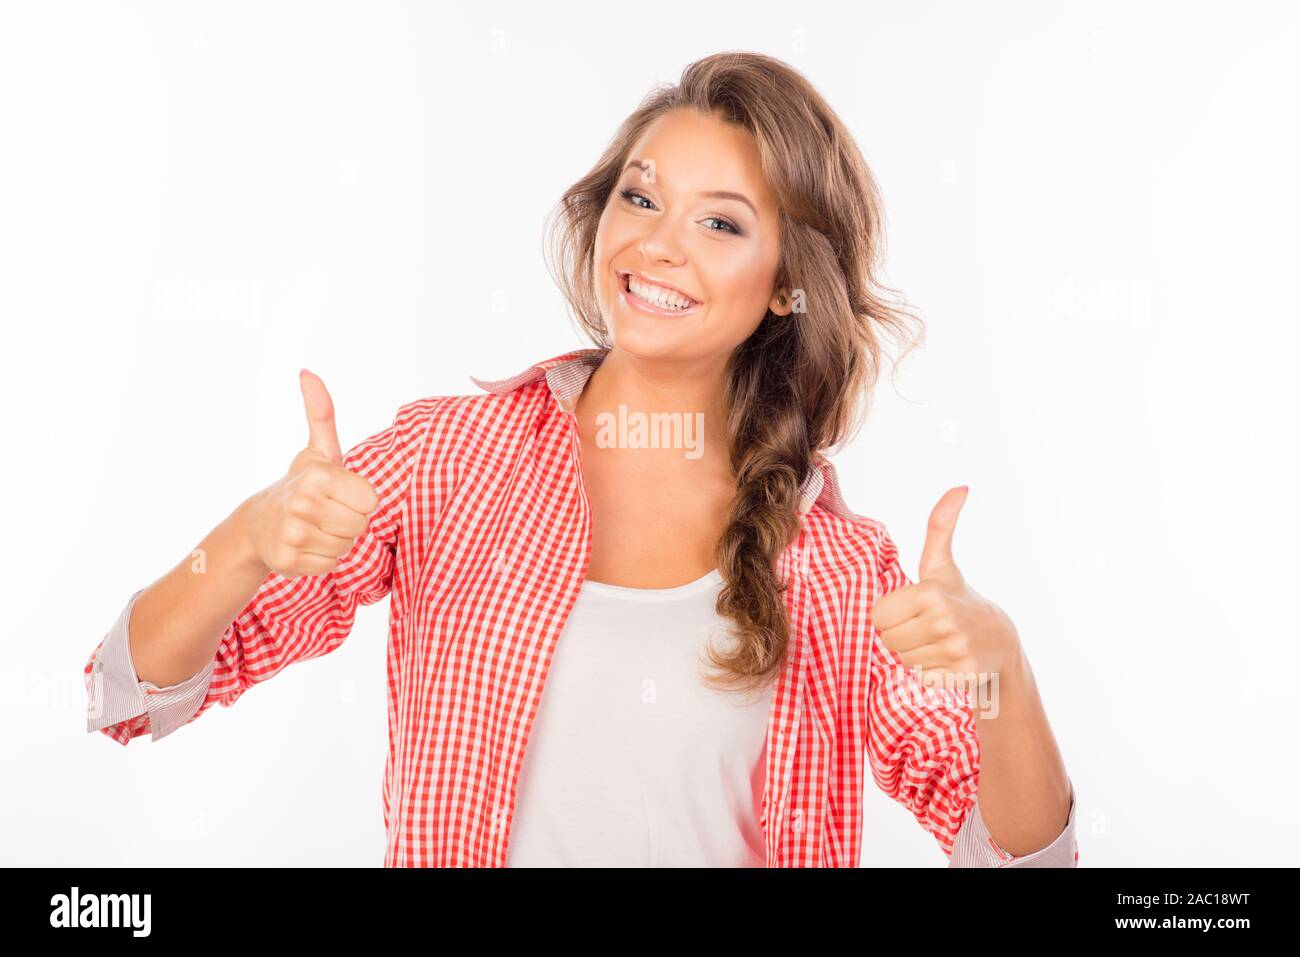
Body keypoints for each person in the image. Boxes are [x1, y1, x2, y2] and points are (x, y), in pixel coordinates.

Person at [85, 51, 1077, 868]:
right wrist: (250, 538)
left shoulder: (837, 567)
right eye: (641, 198)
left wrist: (1001, 669)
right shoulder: (448, 459)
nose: (658, 247)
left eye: (721, 222)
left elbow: (1015, 854)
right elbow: (135, 694)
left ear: (786, 287)